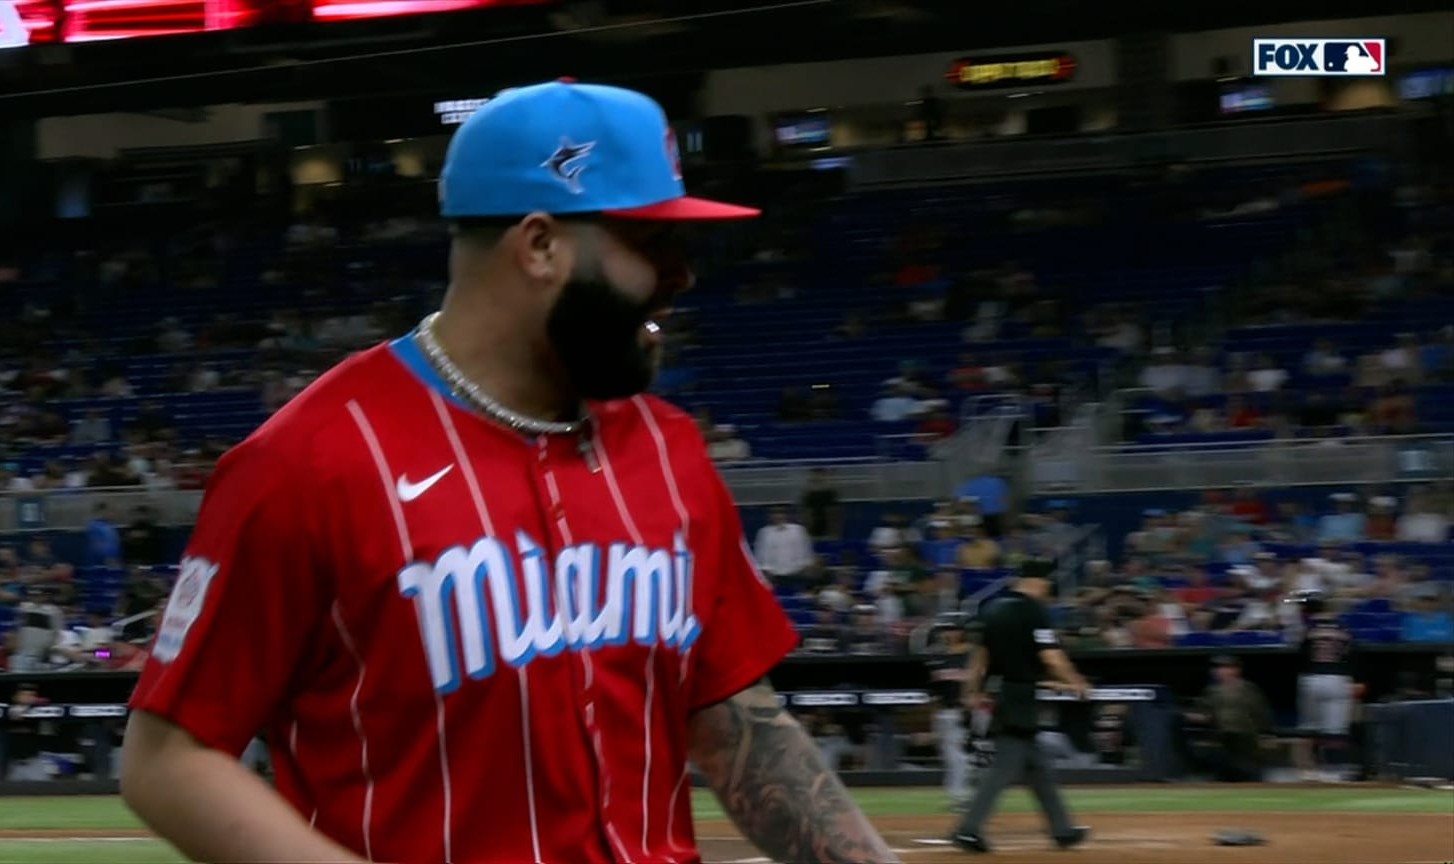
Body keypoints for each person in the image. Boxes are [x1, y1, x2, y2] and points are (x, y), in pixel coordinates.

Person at [119, 79, 894, 864]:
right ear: (540, 246)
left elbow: (737, 724)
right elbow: (166, 761)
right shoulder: (309, 463)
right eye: (651, 244)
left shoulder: (671, 449)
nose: (681, 273)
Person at [951, 559, 1089, 853]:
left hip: (999, 692)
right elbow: (1051, 657)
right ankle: (968, 829)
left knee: (1038, 767)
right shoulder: (1033, 610)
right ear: (1040, 582)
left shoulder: (991, 608)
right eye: (1047, 584)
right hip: (1018, 696)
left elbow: (978, 659)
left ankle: (1062, 829)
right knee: (1004, 767)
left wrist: (970, 691)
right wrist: (1076, 681)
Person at [1289, 588, 1358, 781]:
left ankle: (1306, 772)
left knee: (1308, 728)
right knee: (1335, 731)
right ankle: (1334, 773)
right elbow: (1354, 655)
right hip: (1339, 679)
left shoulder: (1308, 627)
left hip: (1312, 678)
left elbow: (1299, 655)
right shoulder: (1343, 628)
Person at [1187, 655, 1272, 781]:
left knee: (1251, 777)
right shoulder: (1211, 691)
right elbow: (1203, 714)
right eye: (1218, 668)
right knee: (1223, 776)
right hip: (1223, 741)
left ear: (1236, 670)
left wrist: (1265, 736)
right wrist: (1187, 716)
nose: (1220, 671)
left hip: (1246, 741)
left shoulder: (1249, 689)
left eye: (1226, 667)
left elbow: (1261, 715)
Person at [924, 612, 974, 812]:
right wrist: (933, 717)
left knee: (961, 758)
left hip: (968, 713)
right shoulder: (937, 657)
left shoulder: (973, 655)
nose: (948, 634)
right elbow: (934, 692)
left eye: (952, 629)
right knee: (951, 758)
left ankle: (960, 796)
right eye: (945, 630)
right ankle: (958, 796)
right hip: (944, 713)